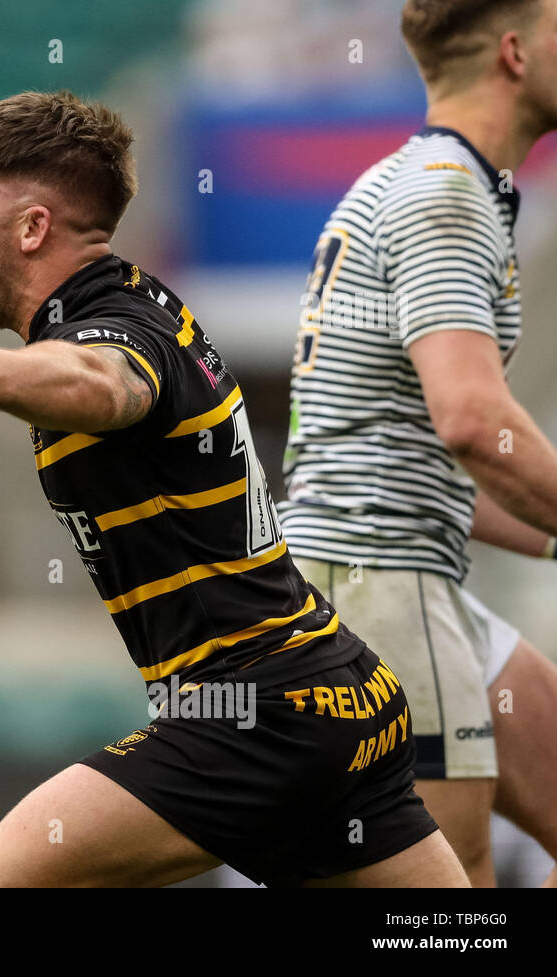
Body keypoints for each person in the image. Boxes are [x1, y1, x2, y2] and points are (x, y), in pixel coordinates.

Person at [0, 34, 467, 886]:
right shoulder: (112, 298)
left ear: (33, 227)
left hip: (251, 709)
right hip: (341, 694)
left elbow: (105, 387)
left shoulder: (112, 337)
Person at [280, 0, 557, 887]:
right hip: (382, 587)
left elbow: (424, 466)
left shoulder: (420, 180)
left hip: (391, 570)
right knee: (445, 908)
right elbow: (473, 422)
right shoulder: (447, 198)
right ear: (515, 52)